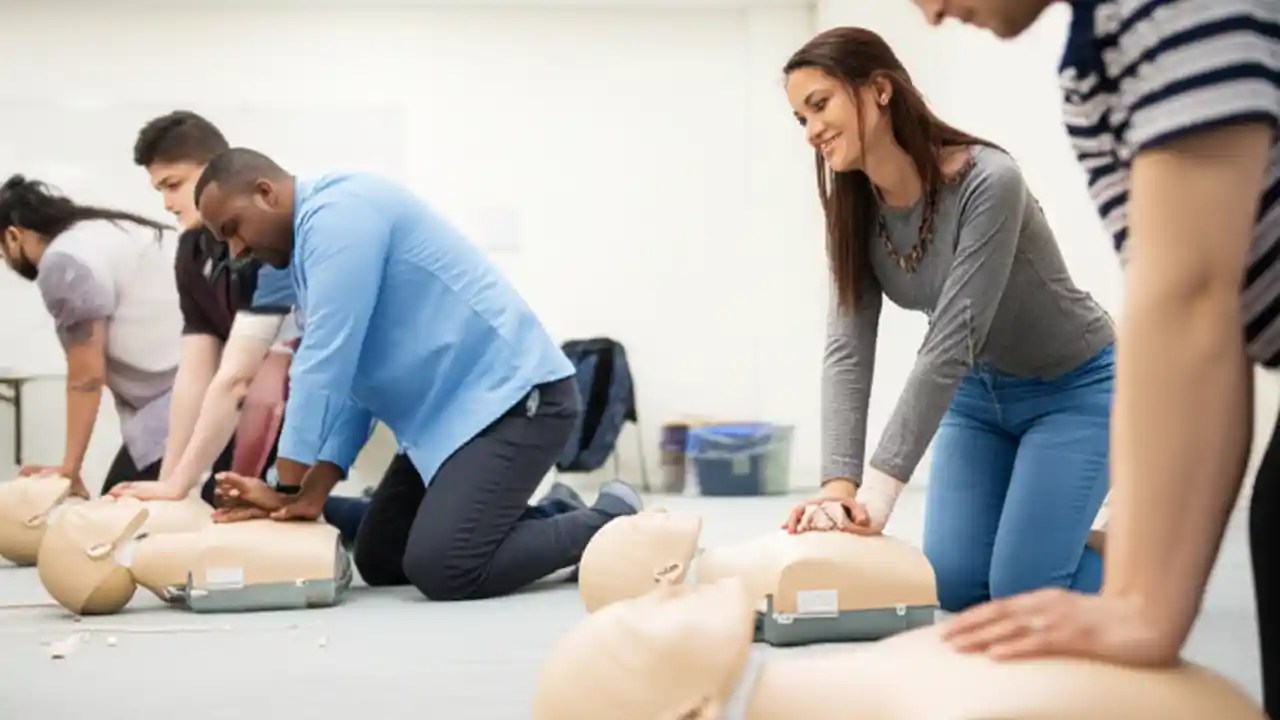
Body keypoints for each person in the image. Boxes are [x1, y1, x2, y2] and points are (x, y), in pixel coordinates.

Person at [907, 0, 1280, 714]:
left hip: (1068, 385)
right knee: (958, 575)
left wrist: (1143, 604)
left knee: (1028, 580)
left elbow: (1192, 298)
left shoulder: (1164, 9)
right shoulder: (1093, 65)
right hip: (989, 400)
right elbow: (1207, 317)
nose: (929, 14)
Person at [194, 147, 640, 600]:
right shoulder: (313, 251)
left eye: (232, 229)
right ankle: (555, 513)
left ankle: (611, 517)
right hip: (448, 424)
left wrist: (284, 485)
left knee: (446, 566)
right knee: (382, 556)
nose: (237, 250)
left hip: (514, 403)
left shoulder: (339, 216)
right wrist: (311, 491)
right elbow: (349, 382)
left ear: (266, 192)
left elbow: (323, 365)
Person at [778, 27, 1116, 613]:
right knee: (956, 587)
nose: (811, 131)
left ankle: (1131, 553)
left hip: (1074, 390)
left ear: (879, 89)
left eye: (820, 105)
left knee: (1023, 592)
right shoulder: (853, 209)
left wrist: (878, 494)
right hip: (977, 402)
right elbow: (847, 349)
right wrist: (838, 486)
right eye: (799, 119)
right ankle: (1057, 538)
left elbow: (951, 340)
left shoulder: (990, 182)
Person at [105, 110, 370, 541]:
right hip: (250, 396)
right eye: (160, 189)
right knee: (174, 490)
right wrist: (172, 482)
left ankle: (366, 514)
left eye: (174, 185)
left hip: (298, 396)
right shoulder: (191, 252)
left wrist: (182, 483)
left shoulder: (263, 241)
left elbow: (237, 379)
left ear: (214, 173)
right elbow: (195, 372)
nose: (167, 203)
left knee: (232, 499)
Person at [0, 175, 182, 499]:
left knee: (118, 516)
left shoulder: (63, 261)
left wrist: (69, 469)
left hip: (175, 405)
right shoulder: (109, 230)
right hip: (201, 391)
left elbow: (85, 378)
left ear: (13, 236)